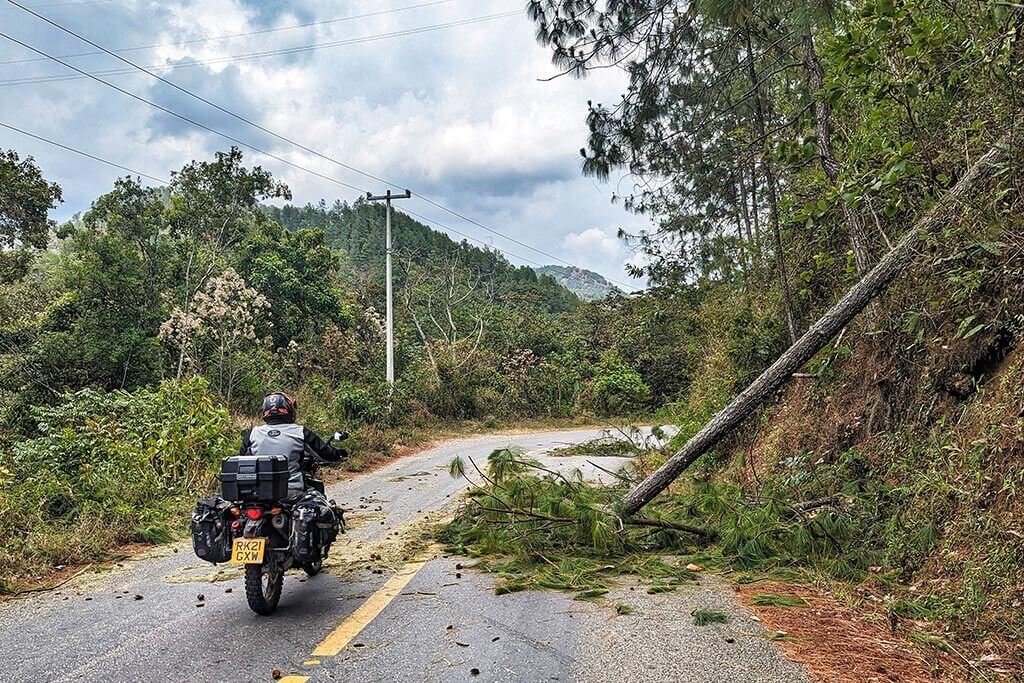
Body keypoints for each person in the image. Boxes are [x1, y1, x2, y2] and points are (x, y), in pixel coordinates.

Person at [239, 392, 346, 499]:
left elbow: (243, 460)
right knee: (321, 506)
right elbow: (324, 453)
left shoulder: (253, 433)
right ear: (289, 408)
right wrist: (338, 454)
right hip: (291, 490)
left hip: (258, 492)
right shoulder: (300, 432)